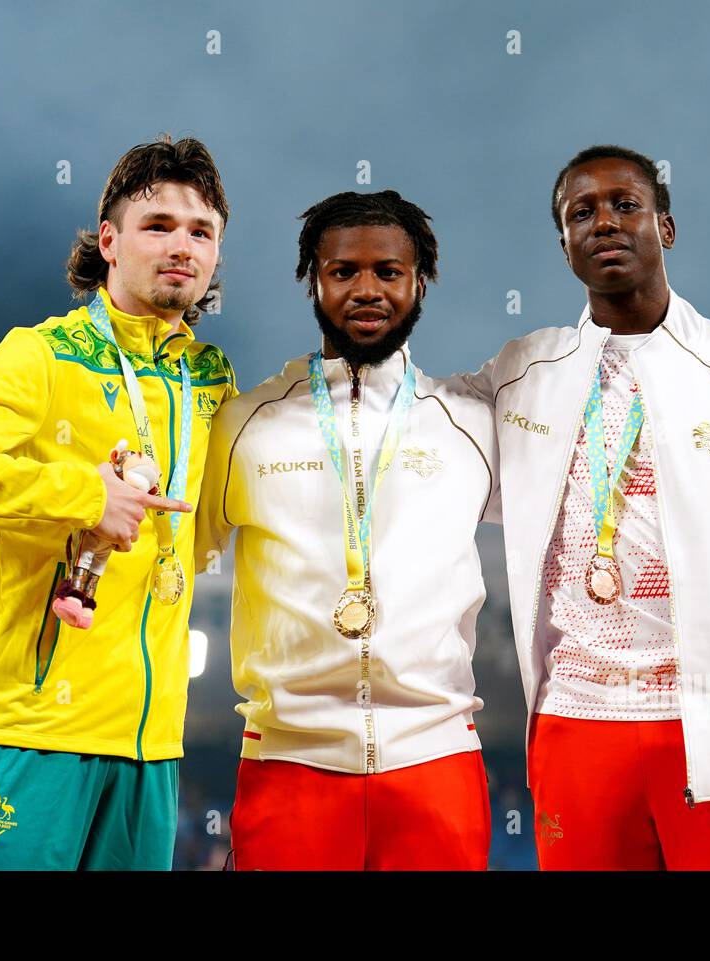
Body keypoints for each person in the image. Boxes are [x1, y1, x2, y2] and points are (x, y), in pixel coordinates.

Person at [464, 145, 710, 870]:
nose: (603, 221)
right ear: (564, 244)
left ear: (665, 228)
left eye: (624, 204)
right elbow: (420, 436)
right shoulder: (521, 373)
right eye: (582, 212)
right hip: (575, 724)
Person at [0, 136, 237, 870]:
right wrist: (78, 495)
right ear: (108, 240)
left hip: (149, 748)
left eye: (201, 232)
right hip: (26, 730)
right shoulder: (44, 356)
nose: (182, 246)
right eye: (158, 224)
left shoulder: (210, 382)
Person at [196, 190, 497, 870]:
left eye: (388, 272)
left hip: (437, 758)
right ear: (313, 279)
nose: (367, 289)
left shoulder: (472, 422)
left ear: (420, 281)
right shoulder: (245, 423)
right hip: (289, 764)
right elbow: (169, 559)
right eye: (343, 272)